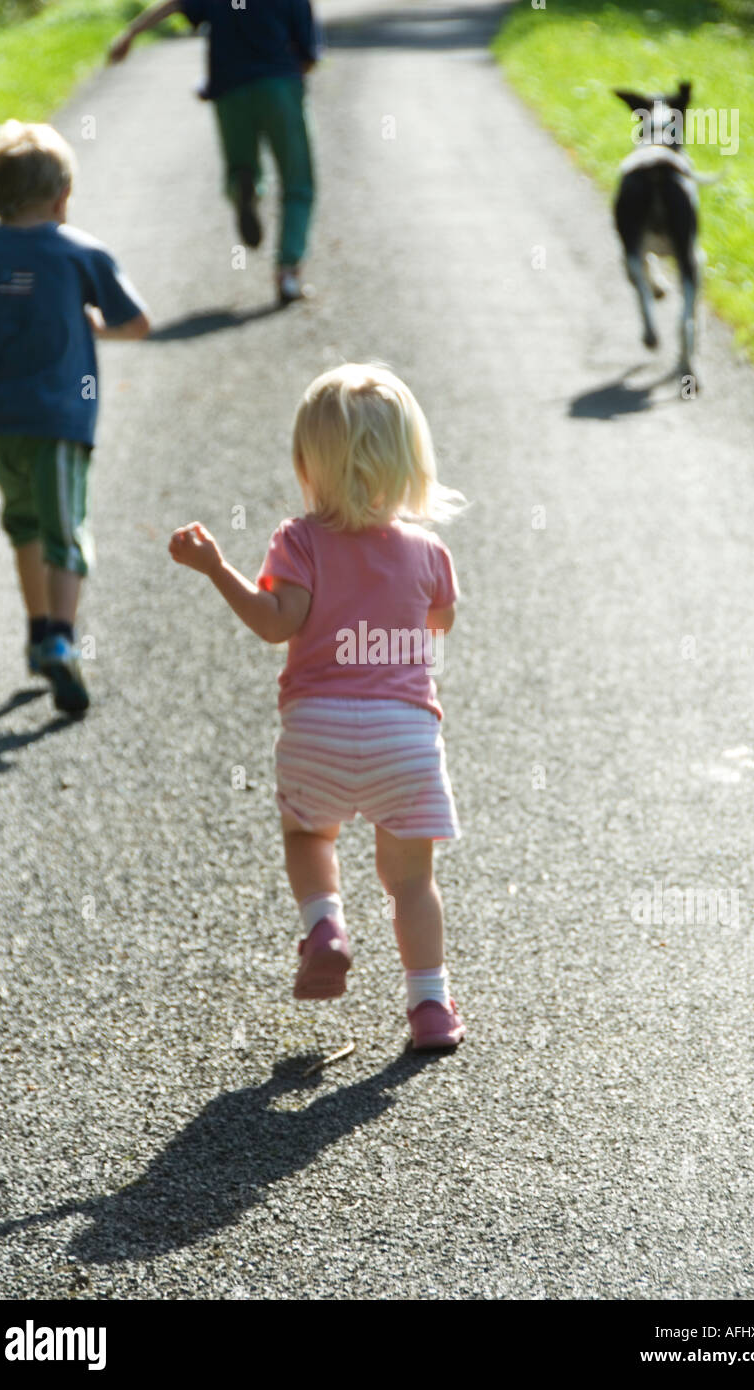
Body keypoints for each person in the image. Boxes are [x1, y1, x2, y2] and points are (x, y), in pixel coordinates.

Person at [169, 364, 468, 1049]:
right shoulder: (428, 550)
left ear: (308, 463)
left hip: (319, 730)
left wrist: (218, 567)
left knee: (309, 835)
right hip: (405, 739)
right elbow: (442, 621)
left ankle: (325, 923)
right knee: (411, 882)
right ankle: (429, 1007)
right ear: (409, 463)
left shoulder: (298, 541)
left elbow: (275, 622)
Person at [0, 121, 150, 715]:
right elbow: (137, 322)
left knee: (23, 523)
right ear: (62, 197)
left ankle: (38, 630)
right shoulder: (79, 252)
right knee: (65, 530)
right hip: (59, 420)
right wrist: (97, 326)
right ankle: (62, 638)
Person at [109, 0, 319, 304]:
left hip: (229, 89)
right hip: (279, 86)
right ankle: (288, 271)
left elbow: (175, 4)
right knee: (298, 181)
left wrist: (130, 33)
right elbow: (308, 56)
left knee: (240, 165)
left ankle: (243, 188)